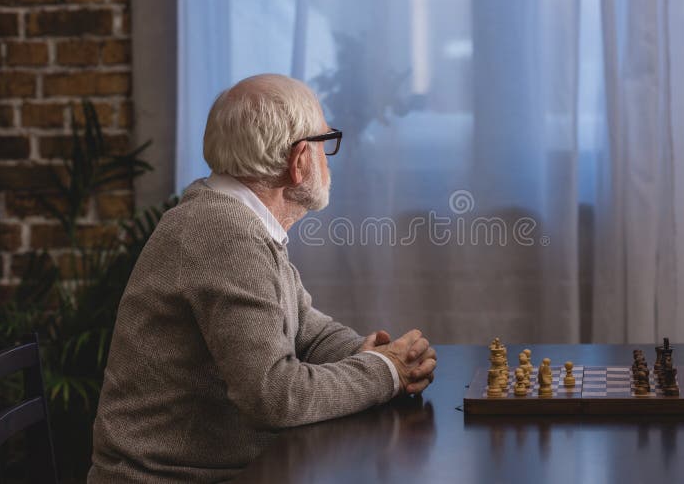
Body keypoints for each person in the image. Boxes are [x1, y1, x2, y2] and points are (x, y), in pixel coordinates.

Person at [88, 74, 437, 483]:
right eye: (326, 142)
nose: (328, 157)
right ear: (300, 160)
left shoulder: (233, 218)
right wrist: (385, 372)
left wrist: (366, 351)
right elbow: (274, 395)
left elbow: (306, 328)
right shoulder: (226, 233)